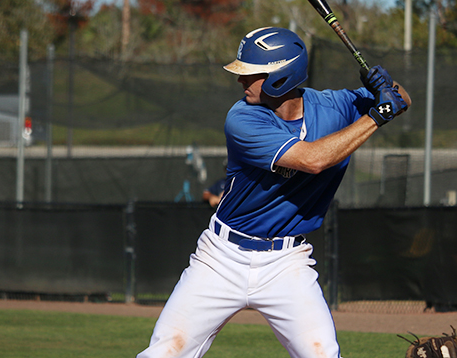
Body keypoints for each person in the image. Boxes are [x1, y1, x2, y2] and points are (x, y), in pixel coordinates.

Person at [137, 26, 410, 358]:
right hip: (222, 258)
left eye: (251, 74)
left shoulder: (333, 106)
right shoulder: (243, 119)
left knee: (322, 353)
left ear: (281, 76)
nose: (240, 81)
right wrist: (376, 115)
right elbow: (312, 160)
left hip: (286, 262)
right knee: (164, 352)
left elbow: (401, 100)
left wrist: (387, 87)